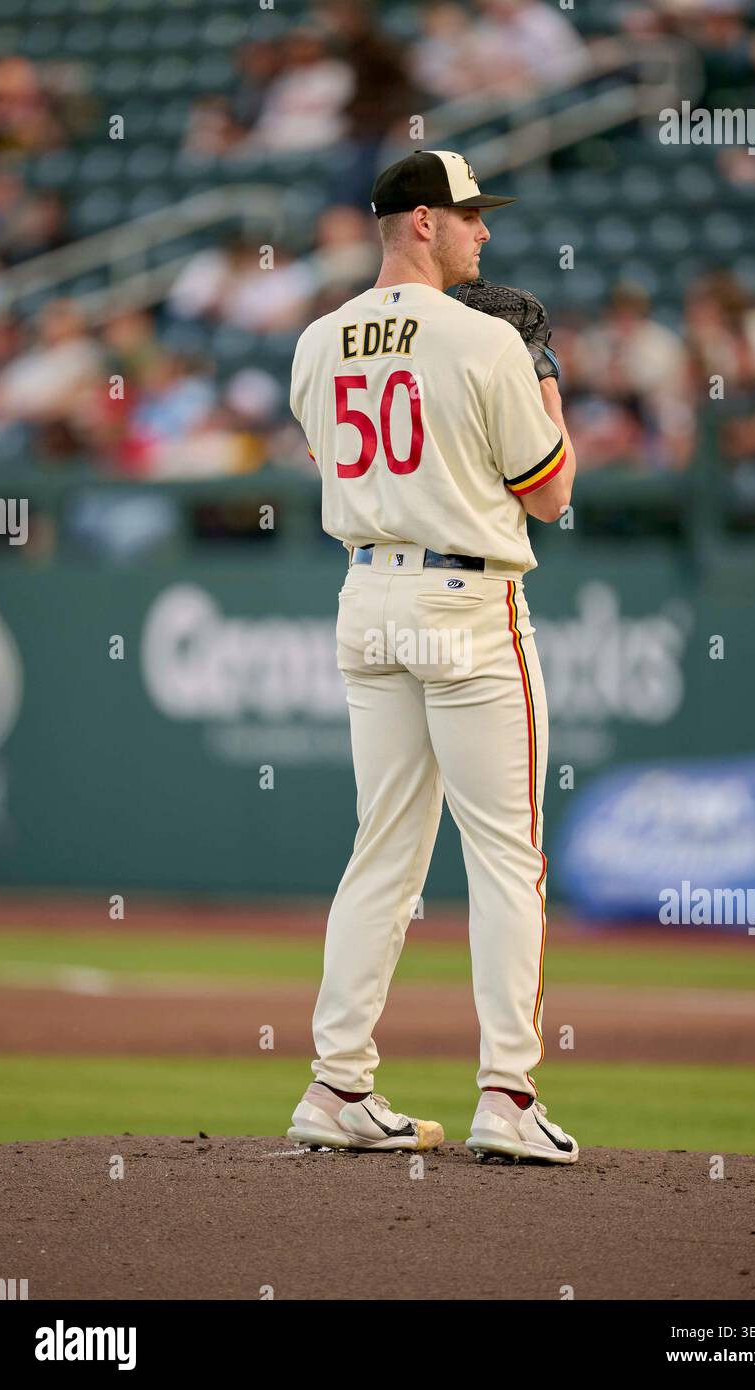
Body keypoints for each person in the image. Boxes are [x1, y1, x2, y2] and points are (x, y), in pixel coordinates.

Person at [288, 149, 579, 1164]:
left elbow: (337, 464)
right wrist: (543, 378)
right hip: (464, 598)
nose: (482, 233)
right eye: (467, 215)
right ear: (420, 221)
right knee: (504, 853)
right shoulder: (483, 337)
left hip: (367, 593)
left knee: (383, 850)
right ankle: (506, 1092)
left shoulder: (316, 342)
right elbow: (549, 492)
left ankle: (335, 1086)